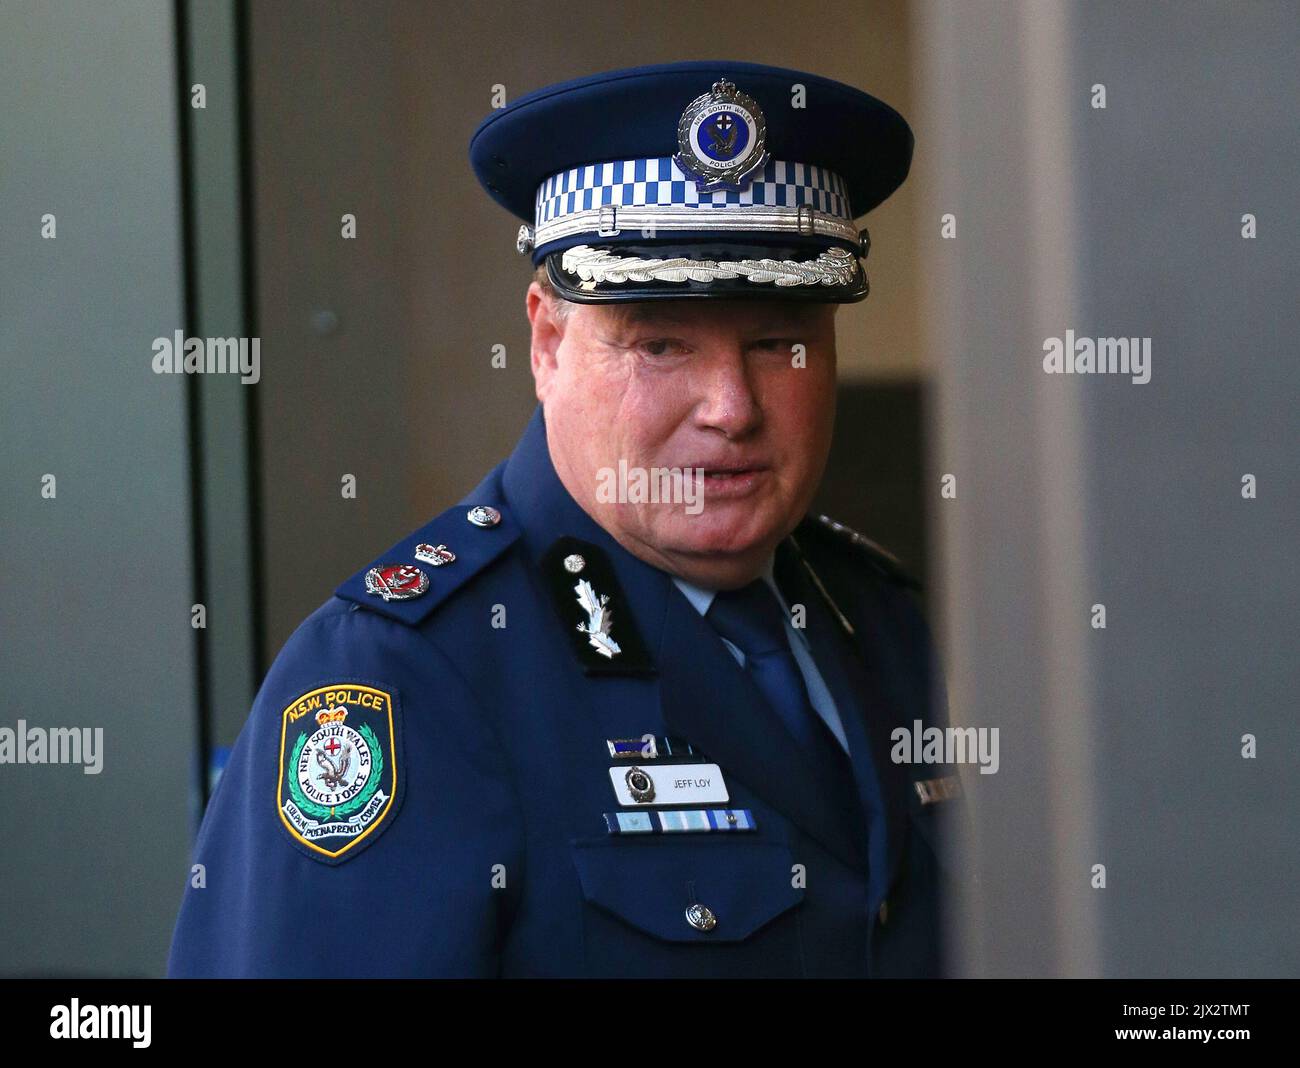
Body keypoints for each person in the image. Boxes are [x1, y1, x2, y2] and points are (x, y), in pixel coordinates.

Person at [167, 59, 962, 978]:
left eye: (776, 343)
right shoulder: (401, 676)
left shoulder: (884, 622)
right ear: (548, 344)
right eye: (660, 343)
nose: (731, 407)